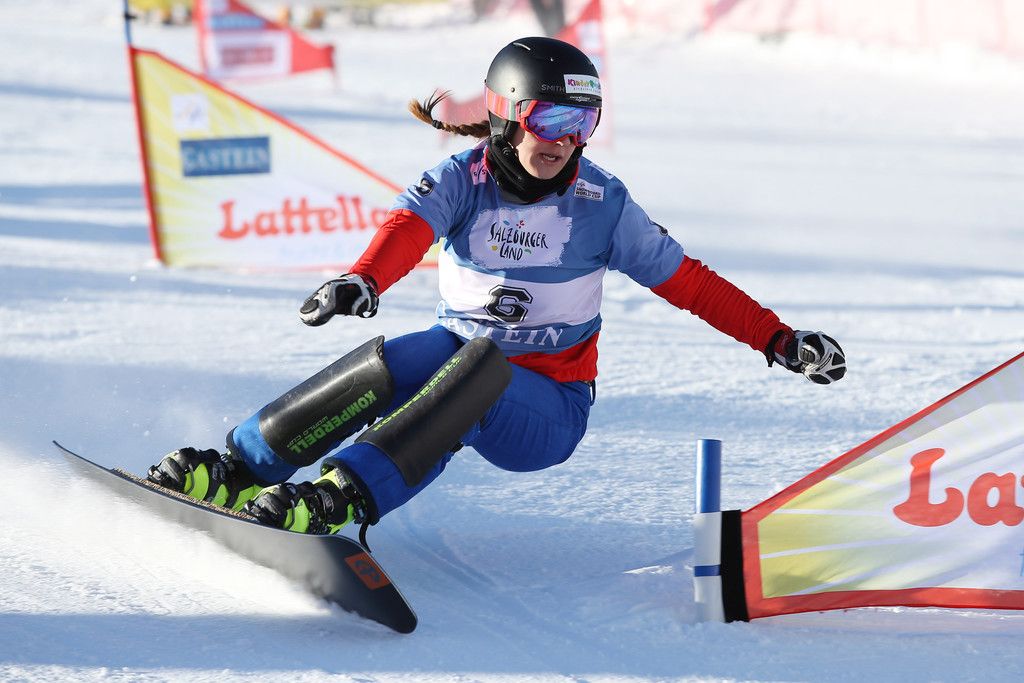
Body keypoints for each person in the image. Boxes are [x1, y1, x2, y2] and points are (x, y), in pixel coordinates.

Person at [147, 37, 846, 536]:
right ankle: (241, 466)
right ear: (508, 115)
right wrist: (362, 278)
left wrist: (779, 339)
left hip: (548, 406)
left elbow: (690, 283)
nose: (564, 141)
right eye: (549, 119)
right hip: (461, 359)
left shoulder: (602, 204)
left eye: (582, 124)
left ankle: (341, 498)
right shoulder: (462, 179)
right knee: (399, 361)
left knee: (475, 366)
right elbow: (407, 227)